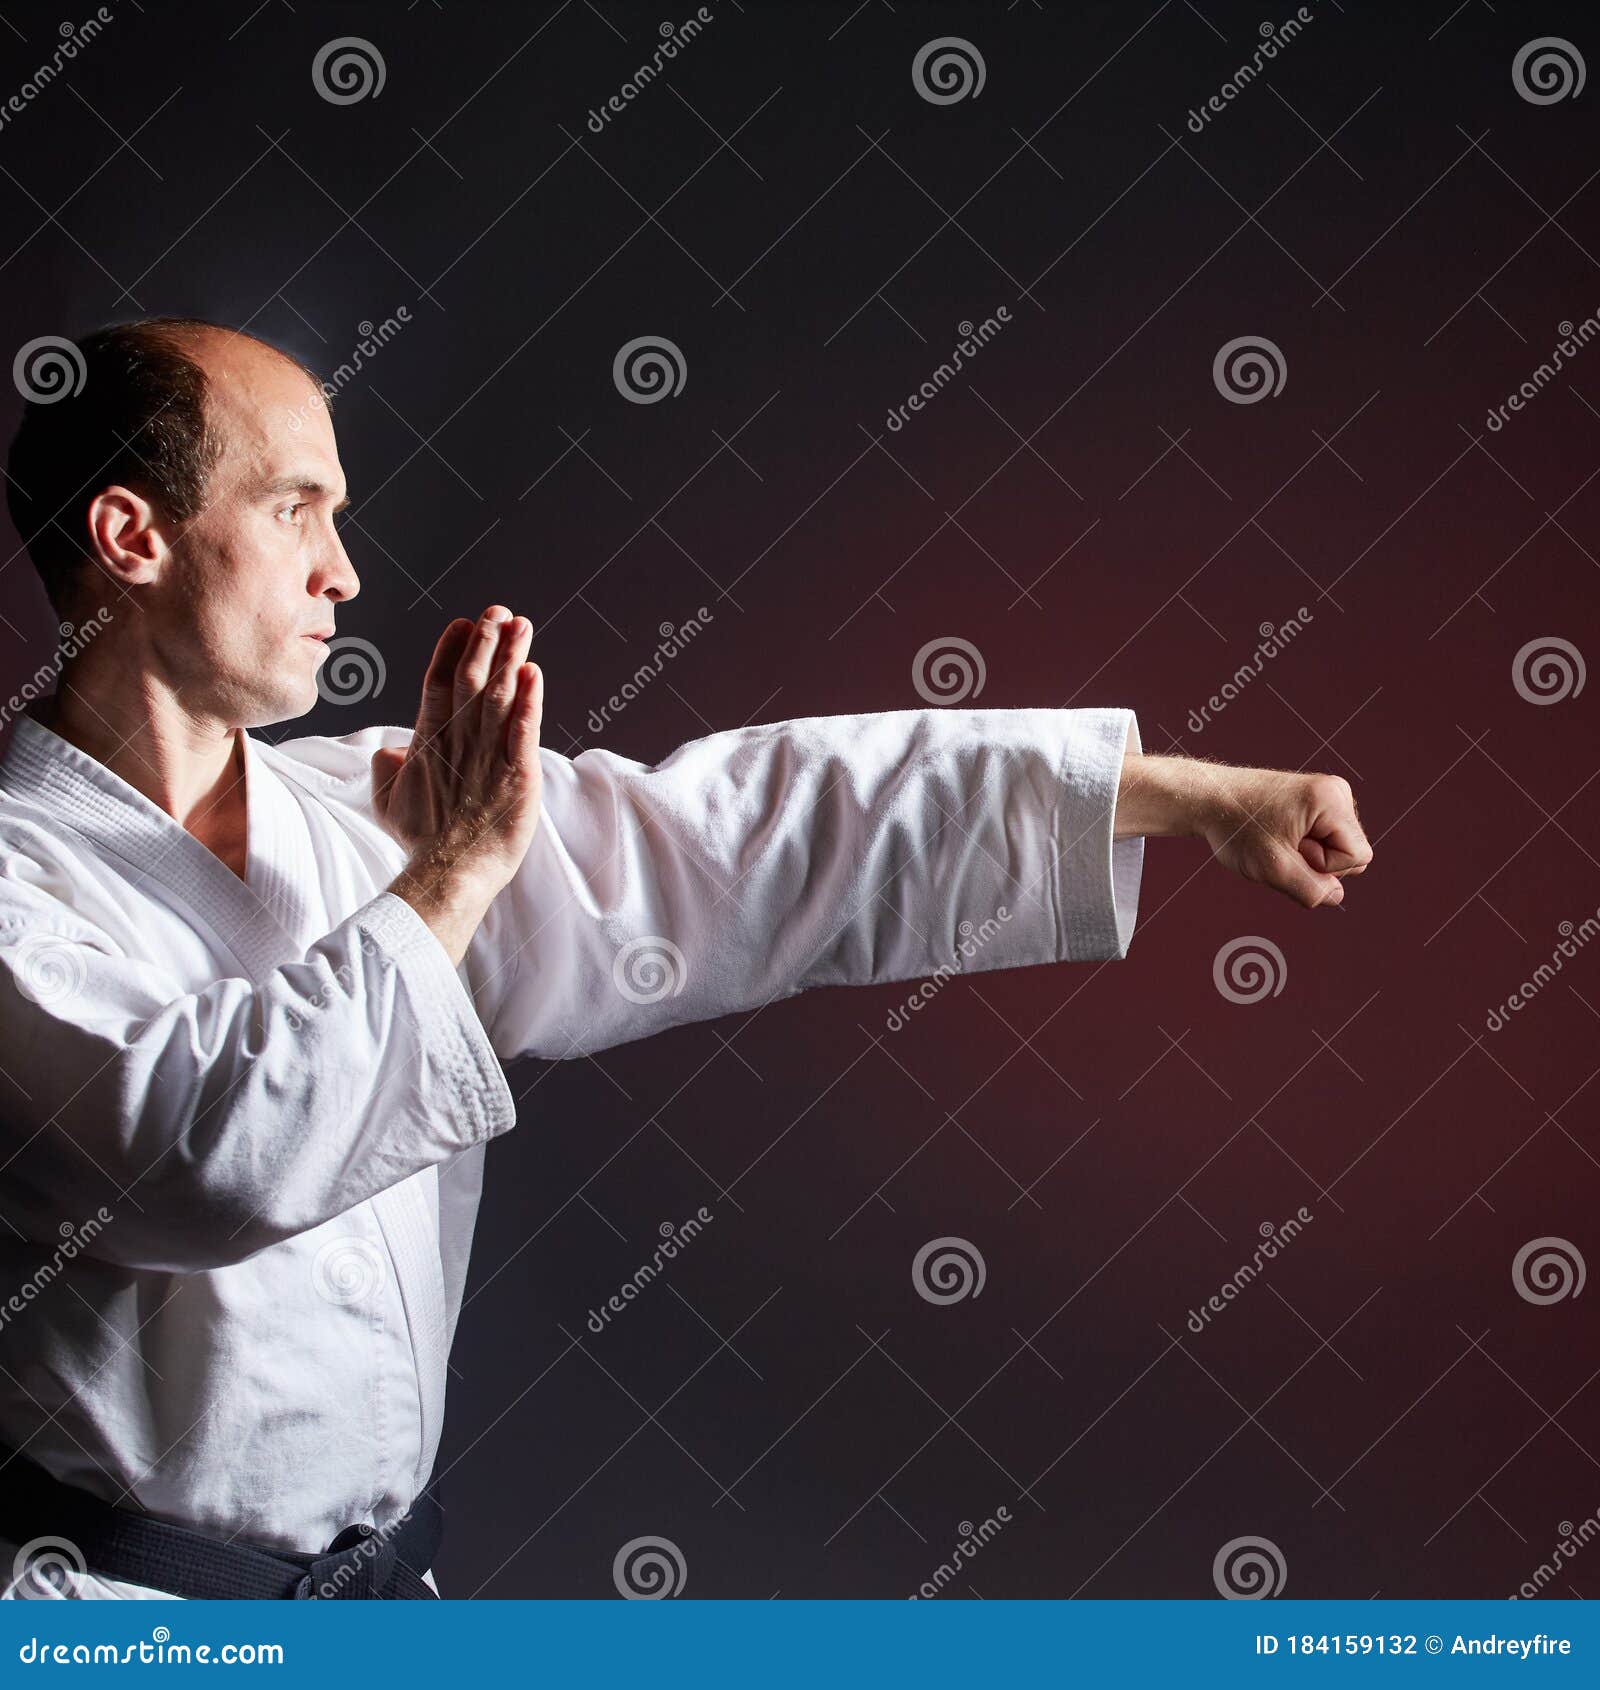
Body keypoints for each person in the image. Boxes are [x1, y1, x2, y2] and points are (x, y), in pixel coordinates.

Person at [0, 319, 1372, 1600]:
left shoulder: (369, 813)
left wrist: (1176, 791)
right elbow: (200, 1154)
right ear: (133, 535)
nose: (343, 572)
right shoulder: (33, 883)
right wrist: (453, 877)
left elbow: (735, 839)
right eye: (298, 505)